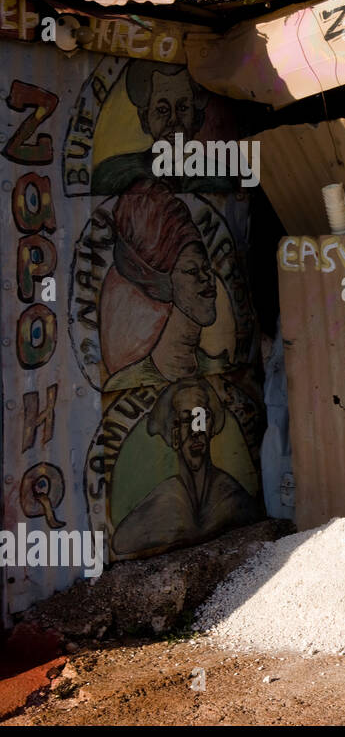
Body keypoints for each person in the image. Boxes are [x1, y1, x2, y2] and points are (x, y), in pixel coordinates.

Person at [111, 378, 261, 559]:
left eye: (201, 418)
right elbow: (122, 543)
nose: (195, 432)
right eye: (185, 420)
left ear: (211, 426)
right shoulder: (164, 499)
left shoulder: (231, 495)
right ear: (174, 434)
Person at [100, 183, 229, 391]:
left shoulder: (220, 366)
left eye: (206, 268)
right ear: (162, 284)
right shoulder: (126, 383)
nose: (207, 278)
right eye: (191, 271)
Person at [92, 61, 222, 195]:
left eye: (183, 108)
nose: (173, 120)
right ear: (144, 119)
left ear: (197, 119)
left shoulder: (218, 177)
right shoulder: (112, 176)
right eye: (162, 110)